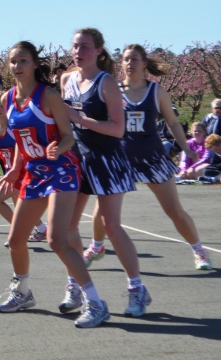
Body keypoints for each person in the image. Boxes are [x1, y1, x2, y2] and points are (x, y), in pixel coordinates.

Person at [0, 41, 108, 328]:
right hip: (34, 173)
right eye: (13, 62)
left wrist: (59, 147)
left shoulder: (48, 95)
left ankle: (95, 302)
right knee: (15, 241)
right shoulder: (8, 99)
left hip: (62, 169)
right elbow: (22, 142)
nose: (17, 66)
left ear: (35, 64)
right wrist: (15, 169)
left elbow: (70, 135)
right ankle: (22, 292)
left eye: (23, 61)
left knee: (57, 239)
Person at [84, 45, 212, 270]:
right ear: (121, 64)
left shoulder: (156, 91)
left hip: (152, 157)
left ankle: (199, 251)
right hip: (120, 159)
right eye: (126, 59)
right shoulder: (113, 90)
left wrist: (185, 147)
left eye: (134, 59)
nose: (130, 63)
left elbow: (172, 122)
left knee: (174, 210)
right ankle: (96, 247)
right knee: (102, 210)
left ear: (144, 64)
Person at [62, 28, 150, 318]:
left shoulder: (106, 82)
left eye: (84, 46)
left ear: (98, 50)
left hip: (108, 161)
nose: (78, 51)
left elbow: (118, 128)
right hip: (79, 161)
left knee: (111, 226)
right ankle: (75, 285)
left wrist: (82, 120)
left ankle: (137, 289)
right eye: (75, 46)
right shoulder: (66, 80)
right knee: (67, 228)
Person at [0, 91, 47, 244]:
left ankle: (19, 232)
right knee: (20, 205)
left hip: (23, 171)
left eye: (2, 105)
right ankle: (43, 229)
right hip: (9, 174)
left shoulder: (15, 125)